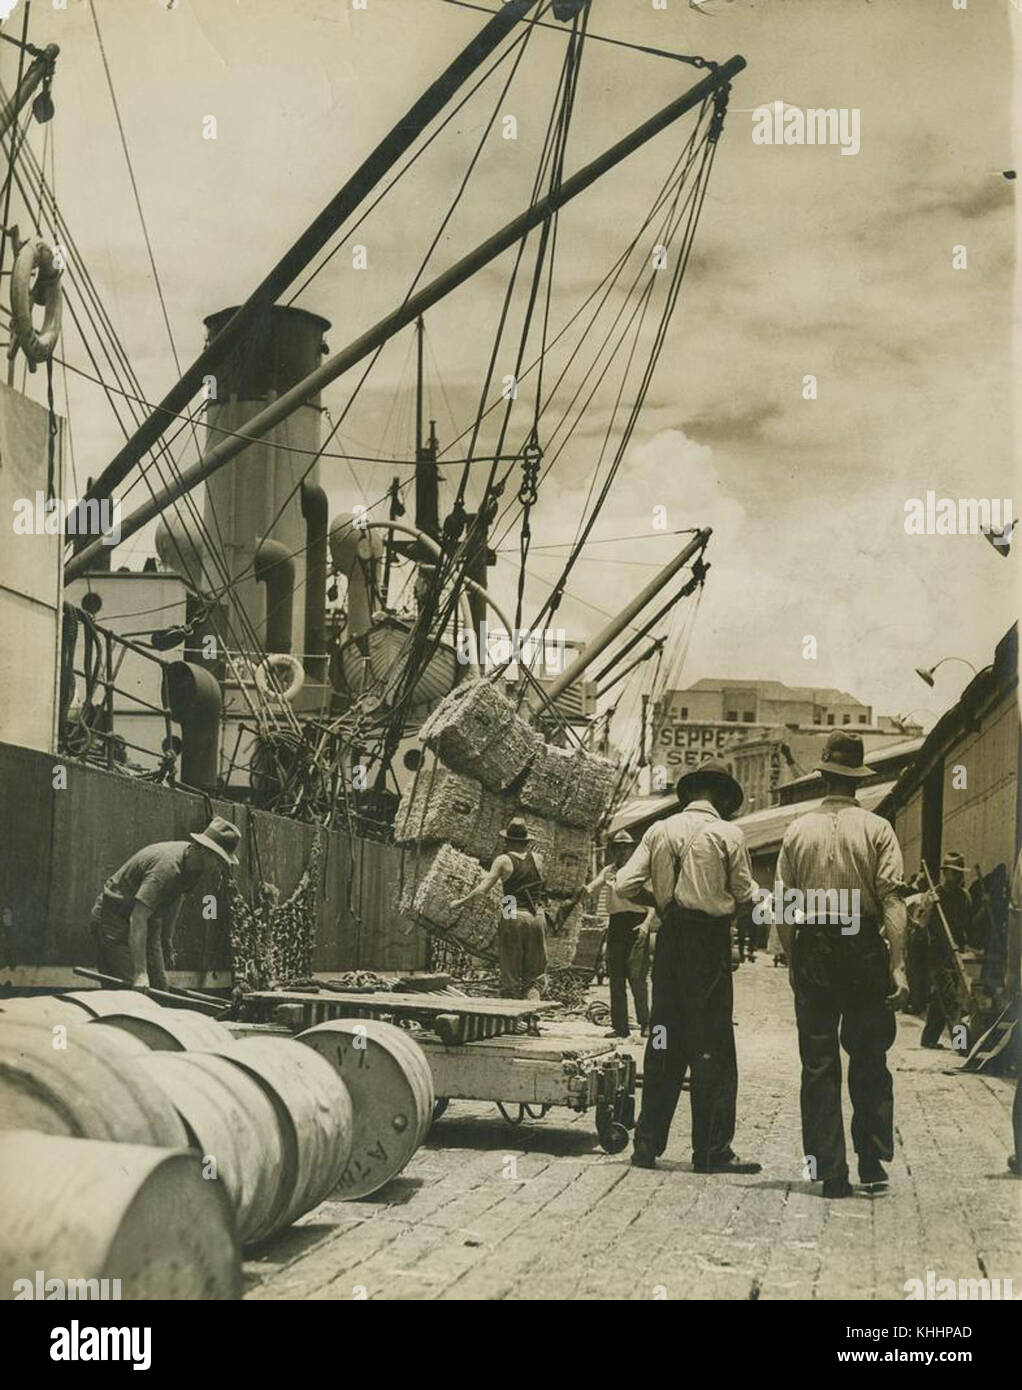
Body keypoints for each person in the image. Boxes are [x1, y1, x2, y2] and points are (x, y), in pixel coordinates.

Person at [775, 731, 907, 1199]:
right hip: (862, 944)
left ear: (824, 776)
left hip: (814, 944)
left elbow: (785, 905)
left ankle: (831, 1170)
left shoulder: (796, 831)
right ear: (856, 779)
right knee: (870, 1054)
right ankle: (871, 1161)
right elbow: (892, 901)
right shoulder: (878, 829)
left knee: (818, 1061)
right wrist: (898, 964)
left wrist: (794, 959)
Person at [615, 759, 762, 1174]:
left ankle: (646, 1145)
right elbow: (743, 890)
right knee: (712, 1044)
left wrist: (662, 903)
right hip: (708, 943)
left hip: (671, 941)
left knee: (662, 1037)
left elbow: (623, 884)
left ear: (693, 792)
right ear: (720, 797)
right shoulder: (728, 834)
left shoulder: (659, 831)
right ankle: (711, 1150)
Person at [90, 817, 241, 991]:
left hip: (148, 921)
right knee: (133, 994)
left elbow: (177, 898)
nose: (220, 866)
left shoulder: (196, 865)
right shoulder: (167, 868)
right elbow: (137, 918)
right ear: (206, 850)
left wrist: (166, 939)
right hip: (114, 919)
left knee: (160, 991)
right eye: (219, 859)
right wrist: (140, 973)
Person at [451, 817, 547, 999]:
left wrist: (459, 902)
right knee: (534, 977)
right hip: (537, 914)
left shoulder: (503, 860)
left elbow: (482, 890)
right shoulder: (538, 858)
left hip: (512, 910)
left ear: (507, 841)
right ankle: (530, 1017)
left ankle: (511, 1019)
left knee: (510, 972)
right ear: (526, 841)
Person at [585, 829, 652, 1039]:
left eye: (626, 848)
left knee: (637, 977)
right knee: (616, 978)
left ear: (632, 850)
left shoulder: (641, 872)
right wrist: (577, 893)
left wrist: (646, 925)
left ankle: (645, 1023)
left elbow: (653, 903)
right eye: (618, 848)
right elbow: (592, 887)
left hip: (637, 923)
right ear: (613, 851)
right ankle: (620, 1027)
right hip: (617, 924)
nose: (622, 852)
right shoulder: (608, 871)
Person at [919, 852, 973, 1049]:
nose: (958, 877)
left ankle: (929, 1039)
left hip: (957, 952)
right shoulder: (934, 895)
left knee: (941, 996)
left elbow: (969, 925)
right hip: (938, 953)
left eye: (959, 873)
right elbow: (921, 924)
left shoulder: (964, 896)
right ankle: (961, 1044)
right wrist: (929, 906)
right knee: (951, 998)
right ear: (946, 873)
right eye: (953, 873)